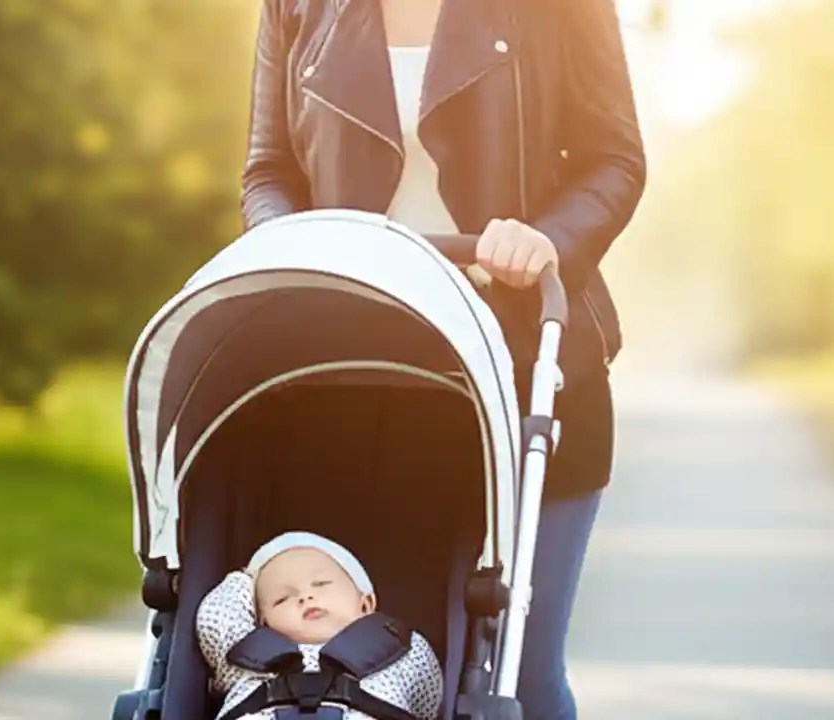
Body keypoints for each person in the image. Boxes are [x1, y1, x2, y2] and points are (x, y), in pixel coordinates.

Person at [239, 1, 646, 718]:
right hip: (349, 376)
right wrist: (293, 249)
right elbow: (269, 172)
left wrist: (548, 239)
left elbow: (615, 159)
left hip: (527, 374)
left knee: (517, 672)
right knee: (353, 664)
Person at [196, 531, 443, 719]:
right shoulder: (246, 658)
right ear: (264, 623)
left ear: (366, 604)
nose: (306, 597)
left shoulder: (399, 649)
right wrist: (246, 577)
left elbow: (426, 699)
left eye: (322, 584)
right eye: (282, 598)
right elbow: (215, 616)